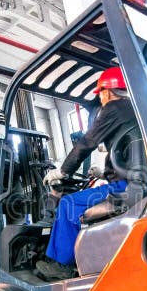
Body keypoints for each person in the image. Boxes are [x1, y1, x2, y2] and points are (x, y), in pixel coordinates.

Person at [36, 67, 137, 280]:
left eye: (100, 94)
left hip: (126, 186)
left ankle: (62, 265)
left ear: (107, 92)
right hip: (134, 181)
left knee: (67, 204)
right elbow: (130, 152)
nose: (101, 98)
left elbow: (86, 143)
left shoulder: (113, 108)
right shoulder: (134, 109)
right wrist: (103, 174)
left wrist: (62, 171)